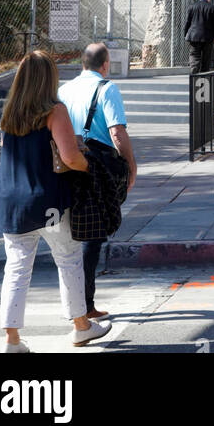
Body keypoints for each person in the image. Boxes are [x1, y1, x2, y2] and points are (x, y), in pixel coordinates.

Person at [0, 50, 111, 352]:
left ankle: (12, 340)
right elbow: (70, 156)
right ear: (49, 79)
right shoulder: (54, 111)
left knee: (16, 268)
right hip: (48, 200)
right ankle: (81, 326)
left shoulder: (9, 113)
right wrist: (92, 167)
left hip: (11, 203)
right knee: (68, 259)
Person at [59, 42, 136, 323]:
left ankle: (77, 303)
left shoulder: (64, 90)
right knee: (92, 235)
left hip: (68, 163)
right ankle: (85, 304)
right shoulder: (107, 88)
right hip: (96, 168)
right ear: (105, 65)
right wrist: (131, 165)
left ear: (82, 64)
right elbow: (117, 132)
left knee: (70, 235)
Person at [184, 0, 214, 74]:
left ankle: (194, 68)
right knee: (206, 57)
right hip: (208, 36)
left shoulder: (192, 7)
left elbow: (187, 22)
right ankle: (204, 75)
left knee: (194, 54)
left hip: (194, 35)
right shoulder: (213, 8)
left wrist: (185, 34)